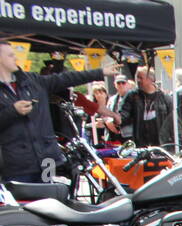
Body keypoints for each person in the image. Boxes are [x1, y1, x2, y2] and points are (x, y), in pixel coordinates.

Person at [0, 40, 118, 184]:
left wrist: (100, 72)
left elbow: (67, 79)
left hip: (46, 158)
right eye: (10, 55)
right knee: (24, 204)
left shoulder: (32, 80)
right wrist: (13, 111)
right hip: (16, 164)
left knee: (49, 199)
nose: (16, 58)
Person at [119, 66, 173, 147]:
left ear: (151, 79)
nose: (138, 80)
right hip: (140, 142)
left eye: (141, 78)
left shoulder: (164, 98)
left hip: (161, 143)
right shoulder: (132, 96)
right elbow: (124, 115)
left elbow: (172, 120)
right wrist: (116, 119)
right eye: (137, 77)